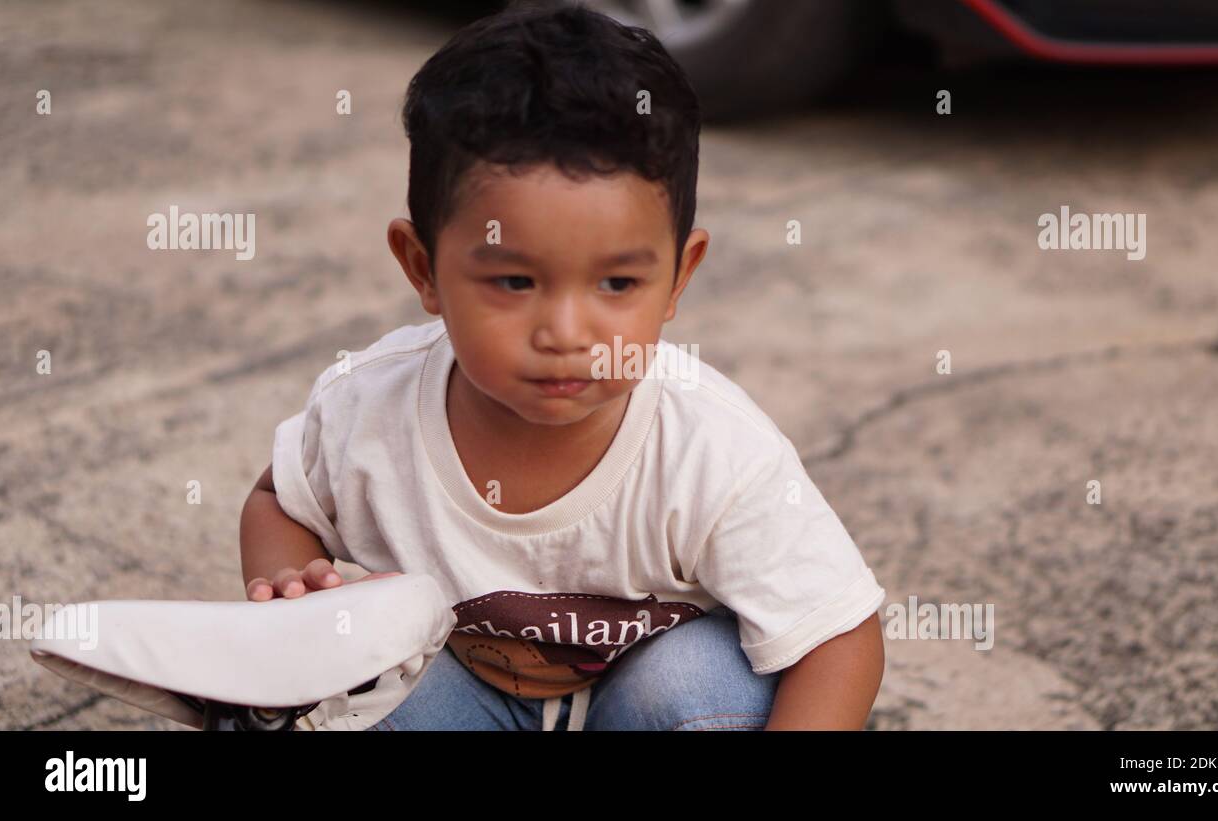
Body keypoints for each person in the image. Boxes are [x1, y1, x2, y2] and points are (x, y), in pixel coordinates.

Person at [239, 3, 885, 731]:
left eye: (617, 284)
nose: (566, 333)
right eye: (514, 282)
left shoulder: (712, 448)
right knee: (341, 685)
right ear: (424, 268)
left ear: (679, 276)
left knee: (696, 687)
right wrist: (290, 586)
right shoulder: (368, 409)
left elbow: (838, 633)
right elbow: (278, 501)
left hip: (646, 707)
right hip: (461, 702)